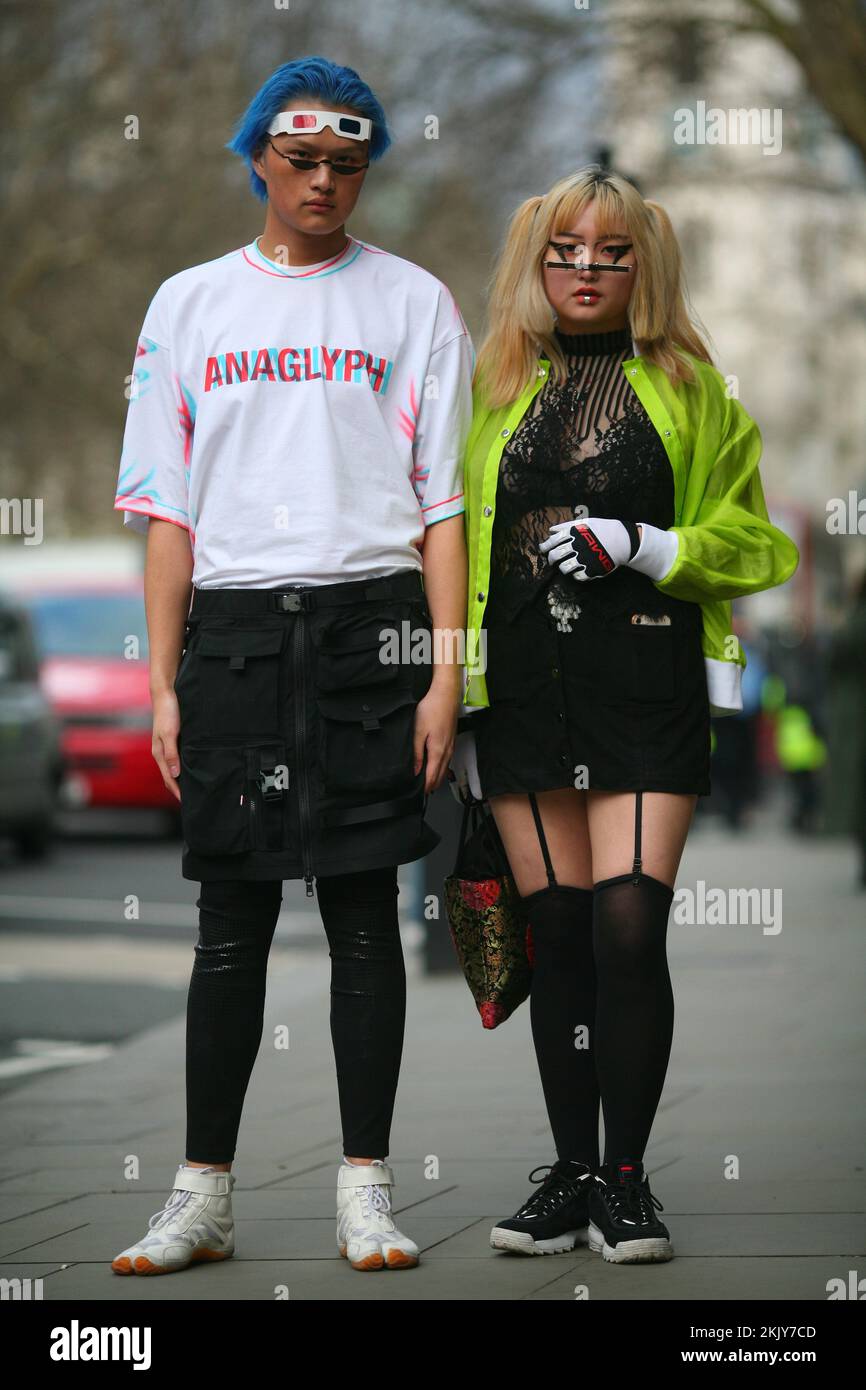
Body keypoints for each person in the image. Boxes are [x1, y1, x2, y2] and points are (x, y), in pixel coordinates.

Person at [110, 56, 473, 1276]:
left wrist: (441, 673)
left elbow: (442, 509)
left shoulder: (415, 302)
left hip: (374, 627)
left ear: (368, 164)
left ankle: (364, 1191)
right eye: (301, 159)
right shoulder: (188, 304)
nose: (324, 182)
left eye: (348, 164)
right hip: (236, 628)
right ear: (258, 155)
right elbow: (165, 511)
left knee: (368, 916)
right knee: (230, 921)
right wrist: (163, 680)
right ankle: (201, 1194)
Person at [450, 165, 798, 1264]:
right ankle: (567, 1170)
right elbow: (443, 536)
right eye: (564, 250)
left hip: (643, 682)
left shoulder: (692, 387)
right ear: (533, 261)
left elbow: (758, 543)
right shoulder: (493, 381)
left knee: (626, 925)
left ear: (643, 263)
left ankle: (627, 1179)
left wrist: (644, 546)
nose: (585, 269)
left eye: (610, 251)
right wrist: (450, 690)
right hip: (518, 687)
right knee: (556, 937)